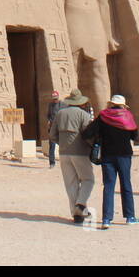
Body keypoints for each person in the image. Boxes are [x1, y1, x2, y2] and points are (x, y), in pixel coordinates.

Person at [85, 94, 139, 227]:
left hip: (107, 155)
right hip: (124, 154)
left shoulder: (103, 116)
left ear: (111, 103)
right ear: (123, 105)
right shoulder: (128, 116)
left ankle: (106, 219)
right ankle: (130, 216)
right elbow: (135, 136)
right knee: (126, 184)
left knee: (109, 186)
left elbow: (88, 133)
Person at [48, 88, 95, 223]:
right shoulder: (83, 115)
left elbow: (52, 135)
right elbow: (88, 135)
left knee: (71, 183)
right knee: (88, 180)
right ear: (80, 102)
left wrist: (61, 143)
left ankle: (77, 214)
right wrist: (92, 147)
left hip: (63, 153)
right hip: (80, 152)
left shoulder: (60, 114)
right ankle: (80, 205)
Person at [45, 90, 63, 168]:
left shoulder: (63, 104)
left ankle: (64, 160)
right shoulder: (50, 105)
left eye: (56, 98)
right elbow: (48, 115)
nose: (55, 100)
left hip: (60, 127)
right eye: (53, 98)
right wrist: (49, 121)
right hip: (52, 127)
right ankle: (52, 162)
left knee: (62, 145)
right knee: (52, 145)